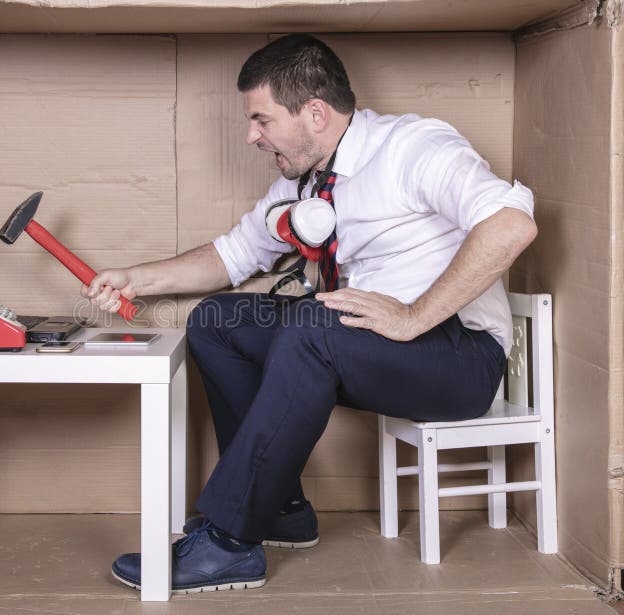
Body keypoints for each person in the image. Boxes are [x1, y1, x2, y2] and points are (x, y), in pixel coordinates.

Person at [82, 34, 537, 594]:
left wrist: (415, 315)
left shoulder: (414, 147)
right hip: (368, 342)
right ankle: (280, 510)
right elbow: (232, 255)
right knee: (216, 322)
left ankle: (229, 543)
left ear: (314, 113)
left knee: (309, 326)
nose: (250, 135)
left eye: (261, 119)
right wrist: (136, 278)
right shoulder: (302, 185)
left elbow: (511, 225)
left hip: (459, 358)